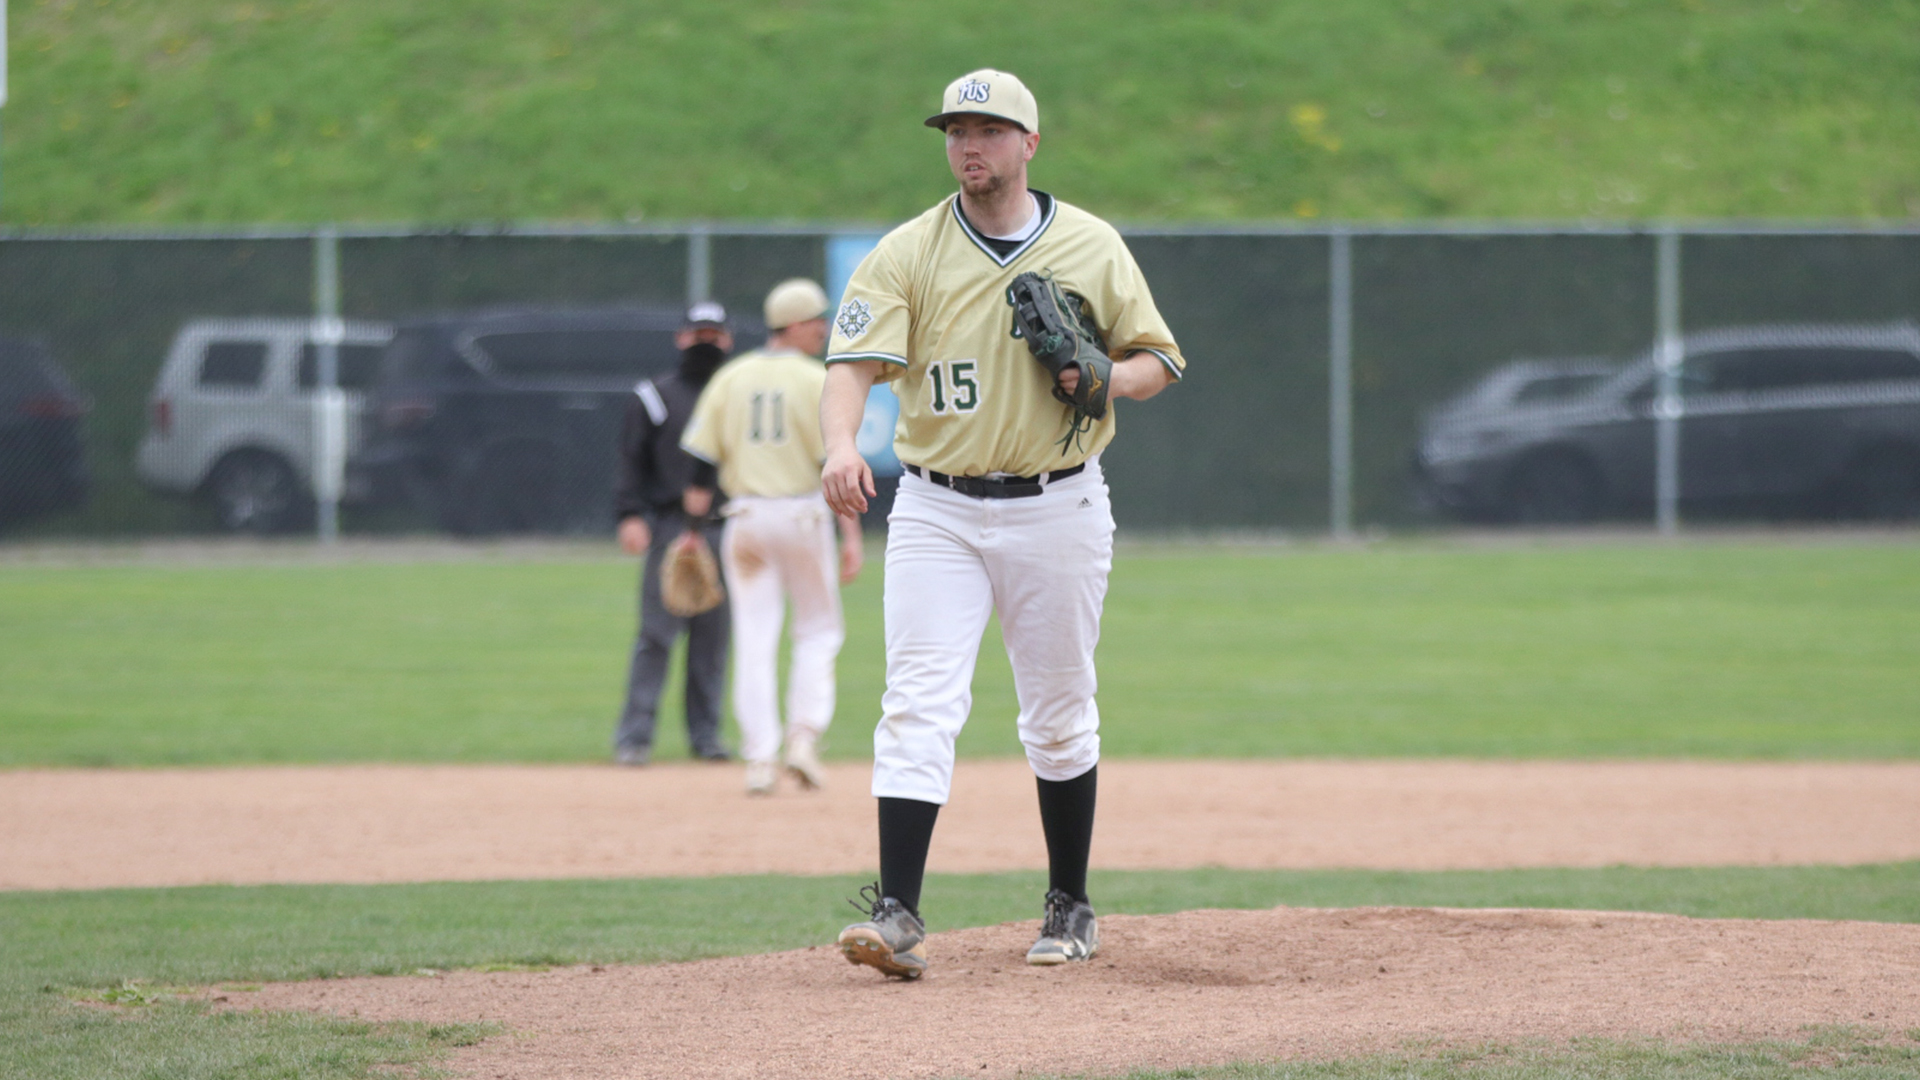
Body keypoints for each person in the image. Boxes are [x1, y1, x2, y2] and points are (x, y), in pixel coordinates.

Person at [820, 69, 1186, 979]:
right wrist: (838, 445)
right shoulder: (906, 251)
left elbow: (1160, 362)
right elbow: (850, 367)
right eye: (955, 129)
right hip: (937, 505)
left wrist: (1104, 376)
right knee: (916, 699)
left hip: (1058, 500)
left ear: (1029, 144)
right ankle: (898, 912)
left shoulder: (1092, 245)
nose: (968, 145)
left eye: (988, 128)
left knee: (1058, 712)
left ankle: (1071, 902)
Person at [680, 279, 865, 796]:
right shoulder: (817, 379)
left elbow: (700, 466)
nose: (823, 329)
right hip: (804, 515)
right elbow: (836, 464)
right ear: (799, 324)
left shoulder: (731, 377)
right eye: (817, 320)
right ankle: (802, 740)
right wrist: (851, 538)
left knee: (756, 638)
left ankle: (759, 759)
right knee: (817, 631)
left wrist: (691, 534)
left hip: (744, 519)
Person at [611, 302, 736, 765]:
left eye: (714, 335)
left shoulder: (734, 392)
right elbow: (630, 461)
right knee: (656, 636)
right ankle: (635, 737)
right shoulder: (654, 396)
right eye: (698, 334)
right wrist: (630, 514)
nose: (706, 343)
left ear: (728, 340)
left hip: (727, 526)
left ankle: (706, 736)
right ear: (681, 338)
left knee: (713, 641)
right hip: (667, 525)